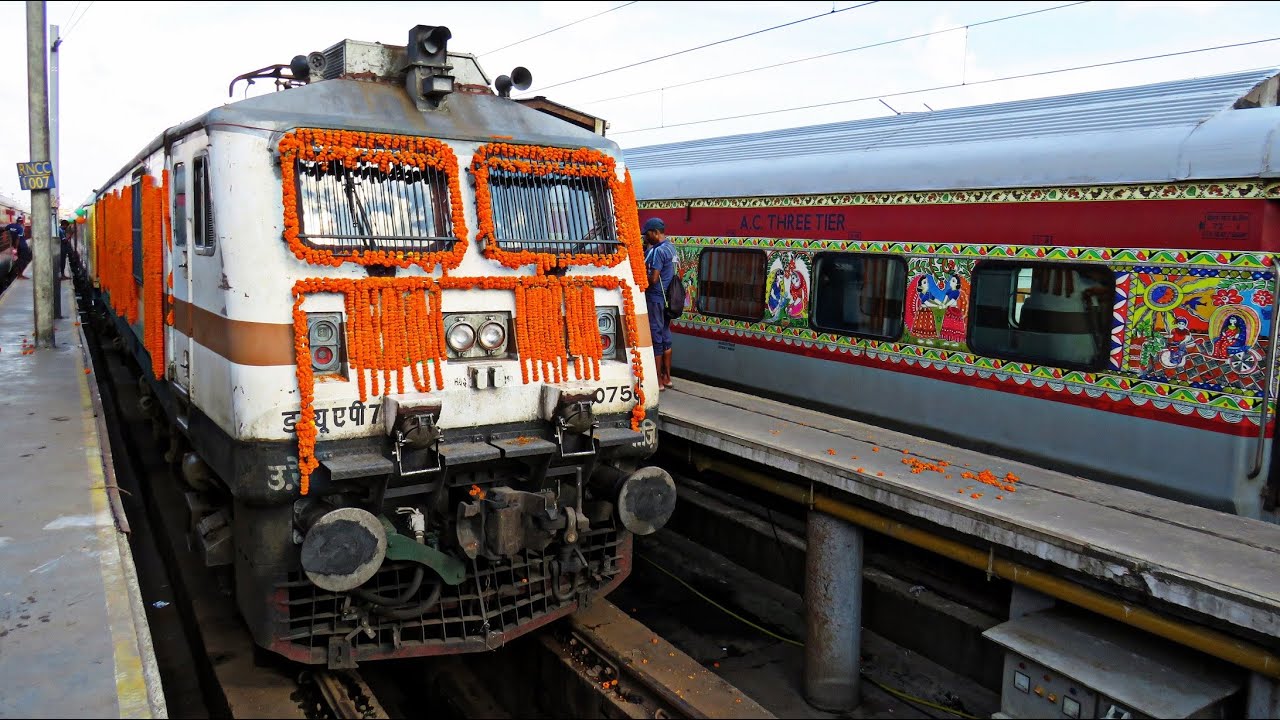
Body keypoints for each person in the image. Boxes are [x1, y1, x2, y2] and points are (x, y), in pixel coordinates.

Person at [643, 217, 677, 390]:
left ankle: (657, 381)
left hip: (655, 299)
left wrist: (640, 278)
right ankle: (667, 378)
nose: (645, 238)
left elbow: (654, 279)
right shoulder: (671, 248)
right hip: (669, 300)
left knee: (656, 337)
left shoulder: (657, 251)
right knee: (666, 336)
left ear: (656, 233)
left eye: (647, 234)